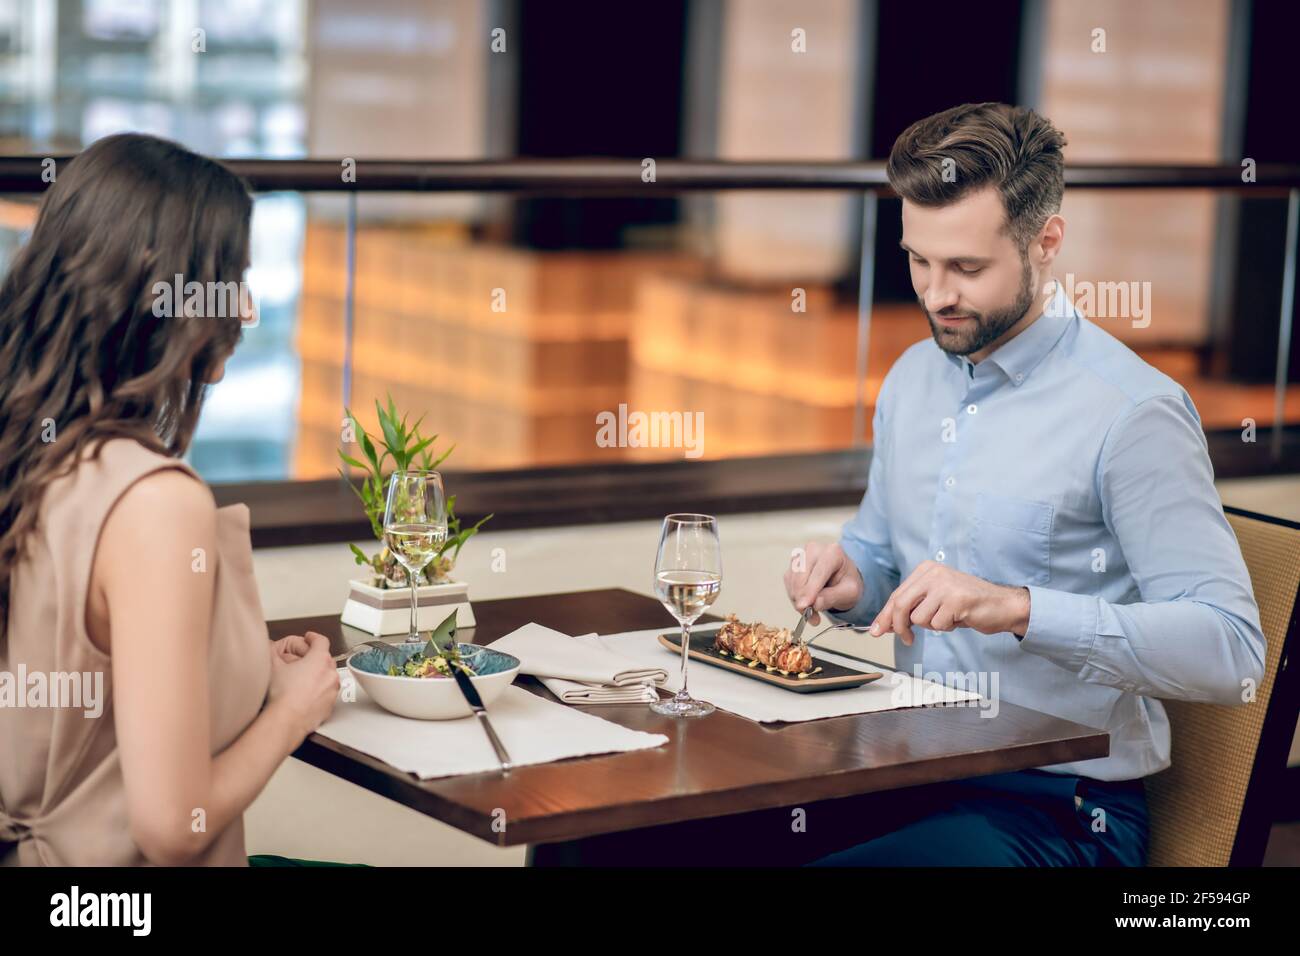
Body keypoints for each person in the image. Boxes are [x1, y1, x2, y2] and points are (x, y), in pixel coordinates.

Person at [785, 103, 1266, 866]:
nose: (936, 294)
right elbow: (882, 560)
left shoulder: (1132, 413)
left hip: (1064, 814)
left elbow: (1230, 649)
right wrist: (853, 581)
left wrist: (1016, 609)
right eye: (919, 260)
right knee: (651, 842)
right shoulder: (914, 379)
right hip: (905, 770)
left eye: (968, 269)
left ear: (1046, 242)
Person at [0, 133, 341, 866]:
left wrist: (246, 672)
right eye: (230, 279)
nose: (244, 307)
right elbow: (171, 826)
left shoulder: (28, 447)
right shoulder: (153, 503)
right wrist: (292, 711)